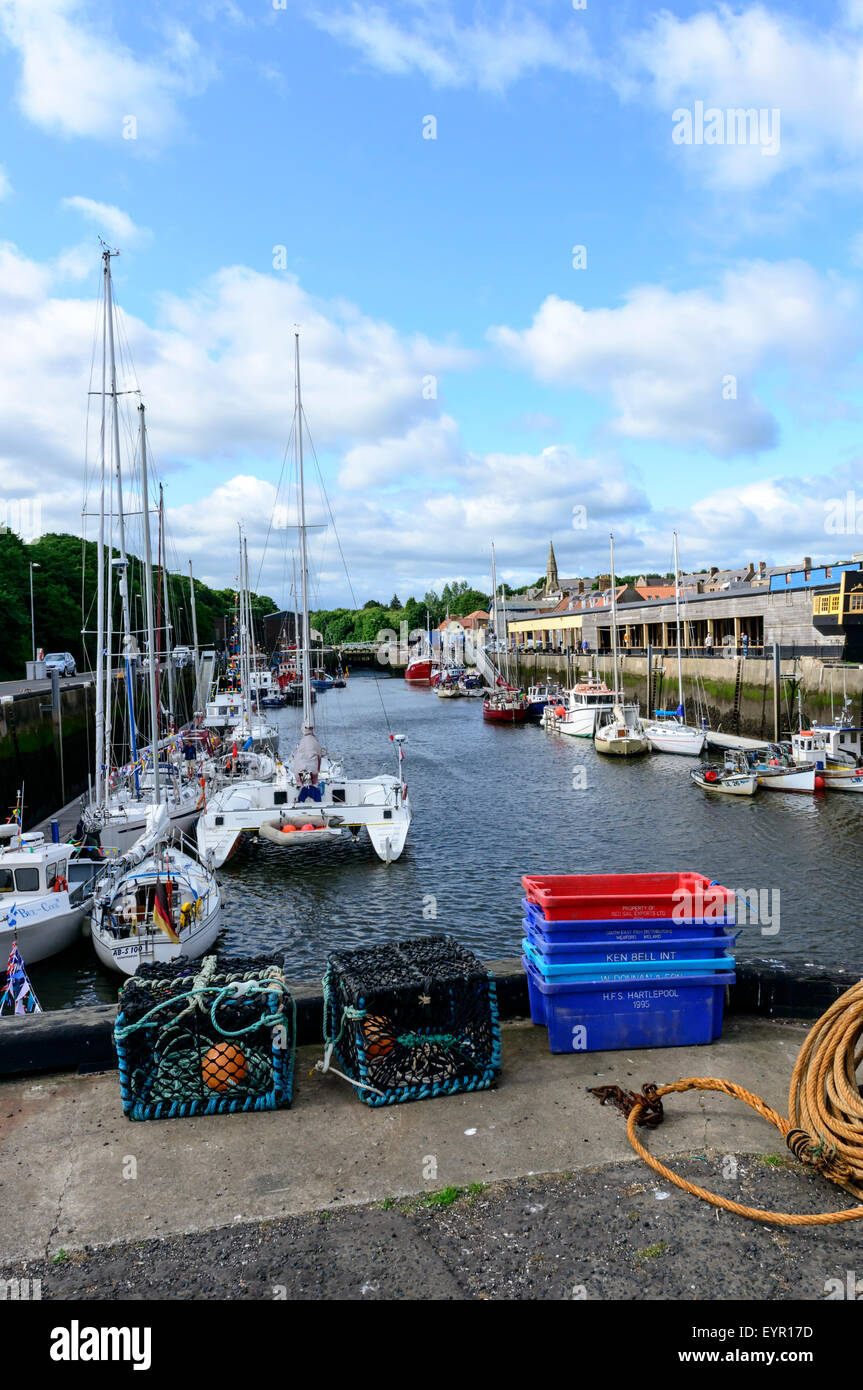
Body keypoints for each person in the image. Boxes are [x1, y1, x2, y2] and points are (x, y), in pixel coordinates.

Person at [293, 723, 323, 800]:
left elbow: (297, 758)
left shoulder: (302, 742)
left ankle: (301, 800)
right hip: (312, 770)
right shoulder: (315, 741)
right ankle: (318, 802)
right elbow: (319, 758)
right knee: (313, 784)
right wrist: (318, 770)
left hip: (298, 771)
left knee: (302, 786)